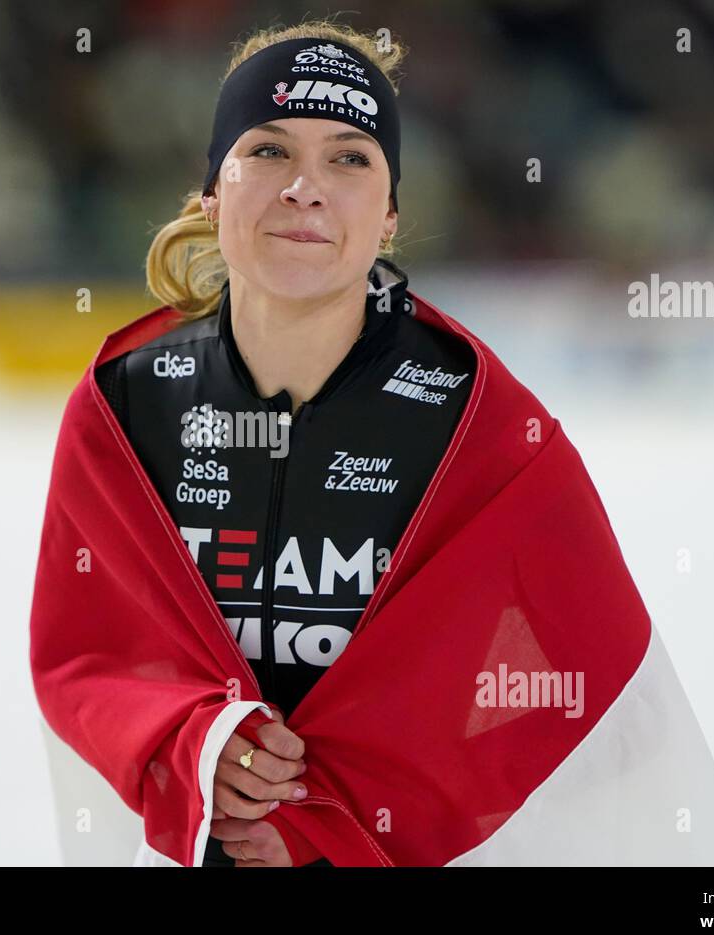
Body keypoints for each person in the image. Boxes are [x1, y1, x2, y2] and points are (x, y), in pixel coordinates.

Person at [93, 22, 468, 866]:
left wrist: (320, 814)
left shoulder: (477, 418)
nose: (306, 187)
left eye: (349, 157)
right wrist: (193, 748)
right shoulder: (121, 404)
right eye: (267, 151)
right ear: (211, 197)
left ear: (391, 215)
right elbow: (88, 660)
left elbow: (546, 694)